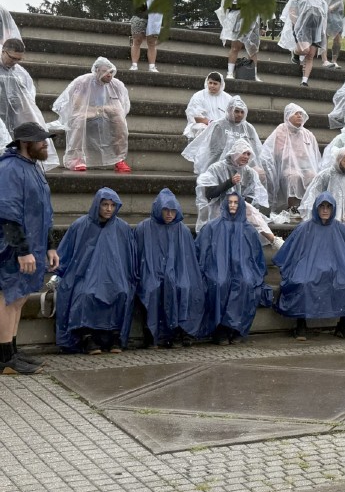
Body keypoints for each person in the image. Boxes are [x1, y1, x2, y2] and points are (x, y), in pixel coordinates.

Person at [0, 123, 56, 374]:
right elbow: (6, 213)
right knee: (8, 299)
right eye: (40, 140)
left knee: (19, 299)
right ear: (25, 143)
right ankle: (3, 358)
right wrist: (22, 250)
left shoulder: (33, 167)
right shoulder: (9, 169)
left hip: (32, 245)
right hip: (11, 248)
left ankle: (11, 350)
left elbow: (45, 211)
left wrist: (50, 246)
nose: (45, 143)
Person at [274, 192, 345, 341]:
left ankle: (343, 326)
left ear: (333, 209)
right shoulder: (304, 228)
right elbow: (291, 249)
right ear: (316, 208)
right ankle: (301, 324)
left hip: (338, 269)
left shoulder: (341, 229)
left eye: (328, 207)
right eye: (321, 206)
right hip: (309, 268)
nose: (325, 210)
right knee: (304, 283)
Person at [55, 188, 137, 354]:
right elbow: (66, 252)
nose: (109, 209)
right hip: (83, 276)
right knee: (85, 294)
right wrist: (59, 273)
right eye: (105, 204)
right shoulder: (80, 225)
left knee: (122, 292)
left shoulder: (122, 228)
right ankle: (87, 337)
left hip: (115, 276)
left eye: (112, 205)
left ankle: (114, 335)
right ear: (97, 205)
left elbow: (129, 257)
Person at [196, 193, 270, 345]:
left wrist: (254, 272)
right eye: (230, 202)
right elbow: (201, 250)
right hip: (217, 269)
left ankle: (236, 327)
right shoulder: (212, 227)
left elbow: (257, 257)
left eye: (236, 202)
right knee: (220, 283)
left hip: (243, 270)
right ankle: (220, 328)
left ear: (241, 205)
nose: (233, 205)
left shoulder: (249, 230)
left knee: (246, 284)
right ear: (225, 204)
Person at [134, 189, 204, 349]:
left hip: (178, 273)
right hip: (151, 273)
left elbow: (188, 261)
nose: (169, 214)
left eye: (173, 210)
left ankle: (177, 330)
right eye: (165, 210)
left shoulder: (183, 231)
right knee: (151, 288)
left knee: (183, 286)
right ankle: (151, 333)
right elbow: (138, 256)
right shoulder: (144, 228)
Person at [195, 139, 280, 248]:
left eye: (248, 154)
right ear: (234, 153)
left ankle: (273, 240)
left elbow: (250, 195)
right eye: (243, 153)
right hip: (218, 206)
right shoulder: (216, 168)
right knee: (245, 213)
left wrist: (240, 205)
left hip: (238, 207)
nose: (246, 156)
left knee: (250, 210)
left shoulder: (249, 172)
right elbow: (209, 194)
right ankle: (273, 240)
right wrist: (229, 182)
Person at [51, 56, 131, 172]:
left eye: (111, 72)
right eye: (105, 71)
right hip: (87, 115)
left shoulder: (116, 84)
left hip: (107, 116)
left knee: (119, 119)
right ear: (97, 71)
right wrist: (97, 111)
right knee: (79, 119)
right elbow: (77, 106)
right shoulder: (83, 82)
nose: (109, 75)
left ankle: (119, 159)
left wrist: (103, 111)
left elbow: (120, 107)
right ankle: (76, 158)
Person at [182, 96, 269, 184]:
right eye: (236, 111)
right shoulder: (219, 125)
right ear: (229, 110)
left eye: (242, 112)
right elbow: (215, 150)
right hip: (223, 162)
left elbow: (255, 149)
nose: (239, 114)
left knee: (260, 174)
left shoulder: (248, 128)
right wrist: (233, 159)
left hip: (244, 163)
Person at [0, 40, 58, 170]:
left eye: (18, 59)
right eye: (12, 58)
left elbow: (29, 98)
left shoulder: (20, 72)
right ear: (3, 51)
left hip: (13, 114)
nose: (14, 62)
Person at [260, 104, 321, 221]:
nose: (299, 116)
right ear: (288, 116)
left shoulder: (308, 134)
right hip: (287, 167)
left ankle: (309, 206)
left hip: (305, 167)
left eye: (301, 114)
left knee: (313, 176)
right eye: (296, 113)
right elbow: (272, 151)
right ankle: (292, 207)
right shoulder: (281, 130)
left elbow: (315, 155)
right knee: (293, 176)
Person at [279, 0, 326, 86]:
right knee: (305, 50)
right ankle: (295, 53)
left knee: (311, 55)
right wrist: (297, 26)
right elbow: (292, 11)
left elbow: (323, 14)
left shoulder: (318, 0)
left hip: (314, 29)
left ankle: (304, 81)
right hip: (301, 28)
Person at [184, 72, 234, 140]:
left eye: (215, 84)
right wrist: (210, 123)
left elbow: (233, 116)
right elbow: (194, 116)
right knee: (201, 128)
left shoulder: (228, 98)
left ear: (221, 85)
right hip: (204, 125)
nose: (212, 86)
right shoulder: (198, 96)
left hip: (223, 128)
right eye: (210, 83)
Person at [318, 0, 345, 68]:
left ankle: (334, 60)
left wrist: (335, 6)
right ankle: (324, 60)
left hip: (338, 14)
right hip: (327, 13)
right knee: (324, 37)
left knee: (338, 39)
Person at [127, 1, 162, 72]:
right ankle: (134, 65)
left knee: (152, 43)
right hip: (139, 16)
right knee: (137, 40)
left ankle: (152, 66)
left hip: (154, 18)